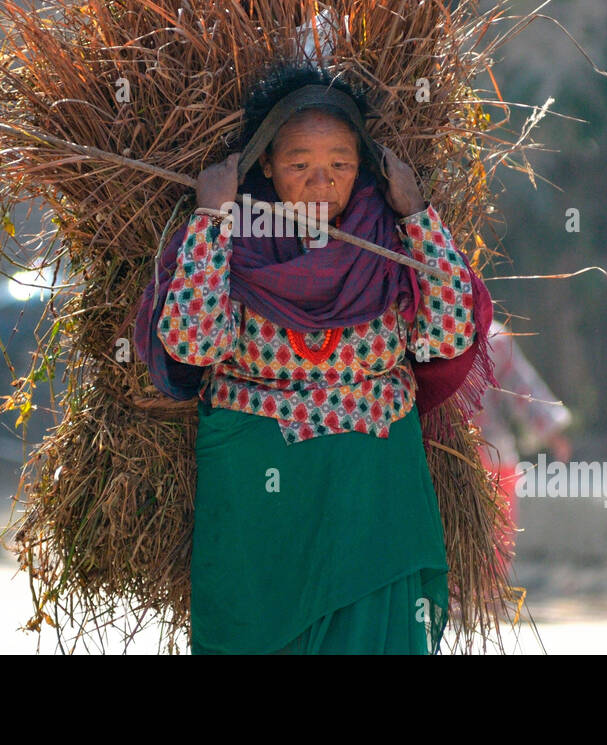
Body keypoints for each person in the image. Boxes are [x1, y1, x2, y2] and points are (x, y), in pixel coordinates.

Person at [133, 61, 497, 654]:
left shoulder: (389, 243)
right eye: (299, 165)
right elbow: (191, 345)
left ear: (365, 170)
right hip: (263, 514)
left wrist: (417, 215)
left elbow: (449, 336)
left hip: (373, 503)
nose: (320, 183)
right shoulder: (233, 242)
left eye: (340, 166)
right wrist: (210, 215)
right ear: (266, 166)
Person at [471, 318, 573, 563]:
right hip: (492, 454)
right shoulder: (493, 335)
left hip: (439, 452)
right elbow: (523, 388)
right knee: (497, 539)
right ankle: (490, 594)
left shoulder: (420, 329)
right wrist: (552, 432)